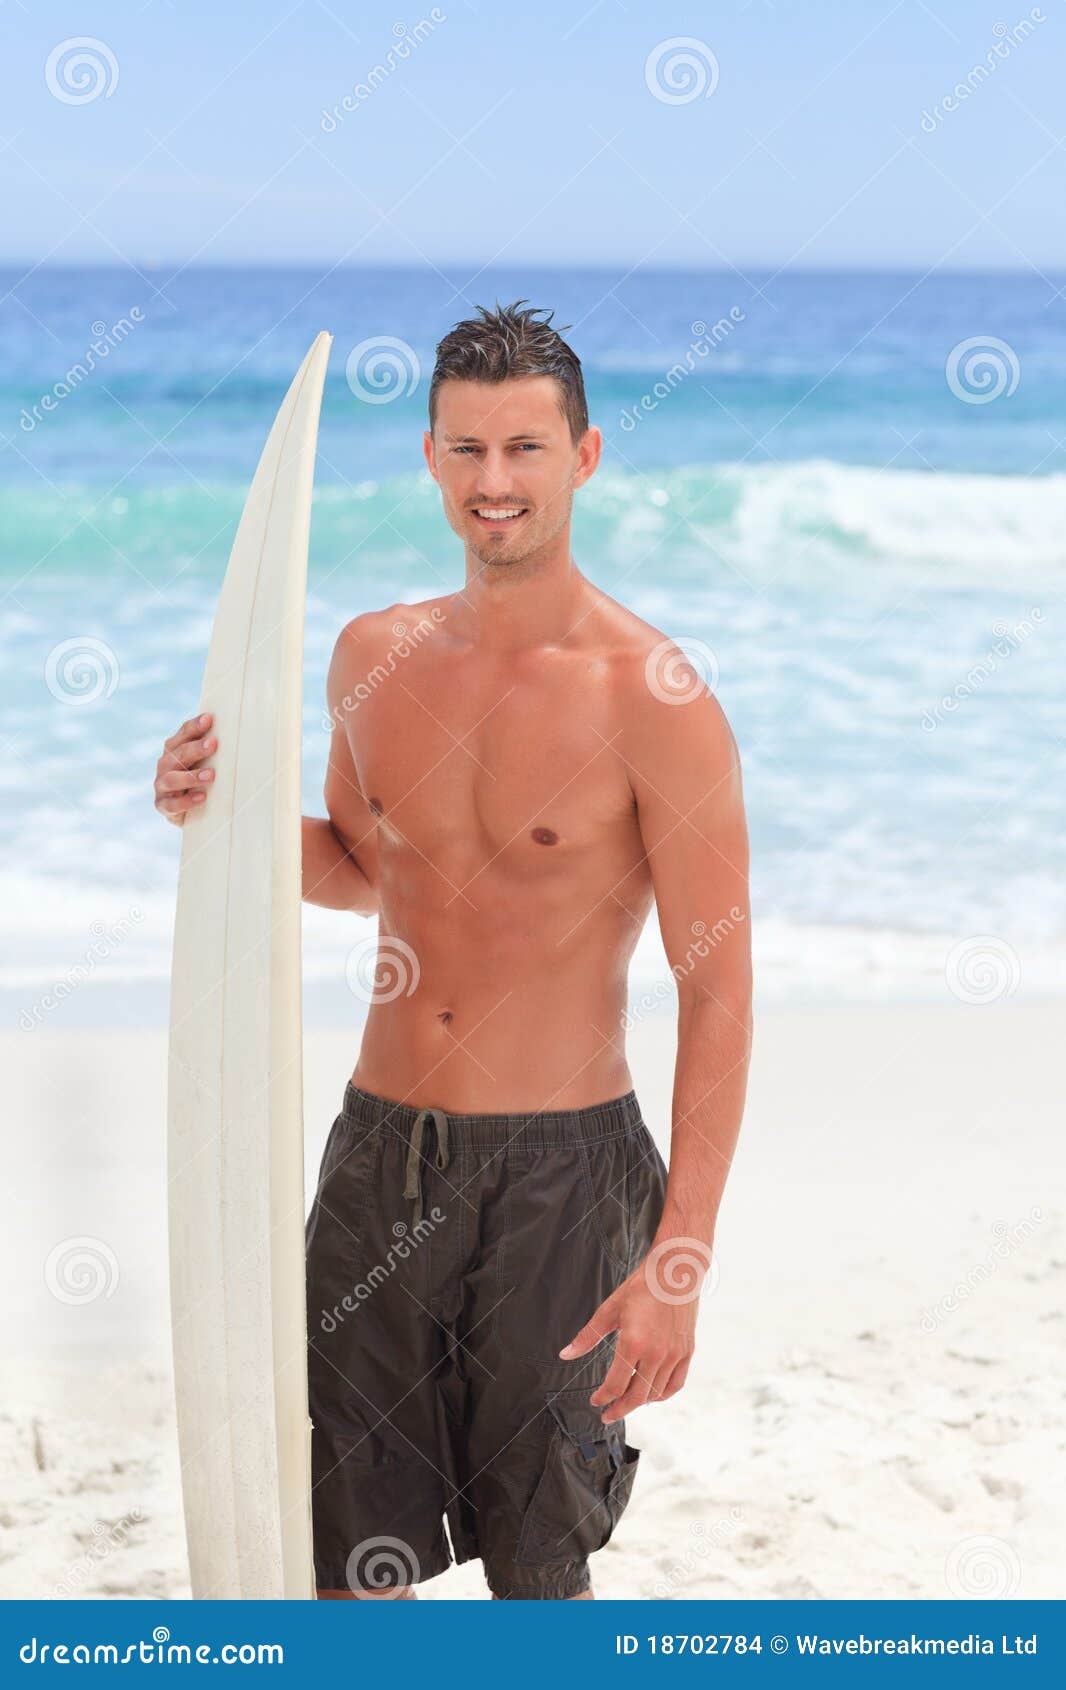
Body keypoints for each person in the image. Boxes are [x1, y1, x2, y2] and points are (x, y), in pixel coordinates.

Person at [154, 301, 752, 1601]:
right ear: (430, 455)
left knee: (539, 1564)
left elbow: (716, 986)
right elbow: (364, 874)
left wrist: (679, 1254)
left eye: (525, 448)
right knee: (342, 1546)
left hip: (560, 1171)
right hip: (379, 1157)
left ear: (583, 457)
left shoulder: (651, 696)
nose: (495, 483)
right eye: (467, 449)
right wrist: (219, 810)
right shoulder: (375, 656)